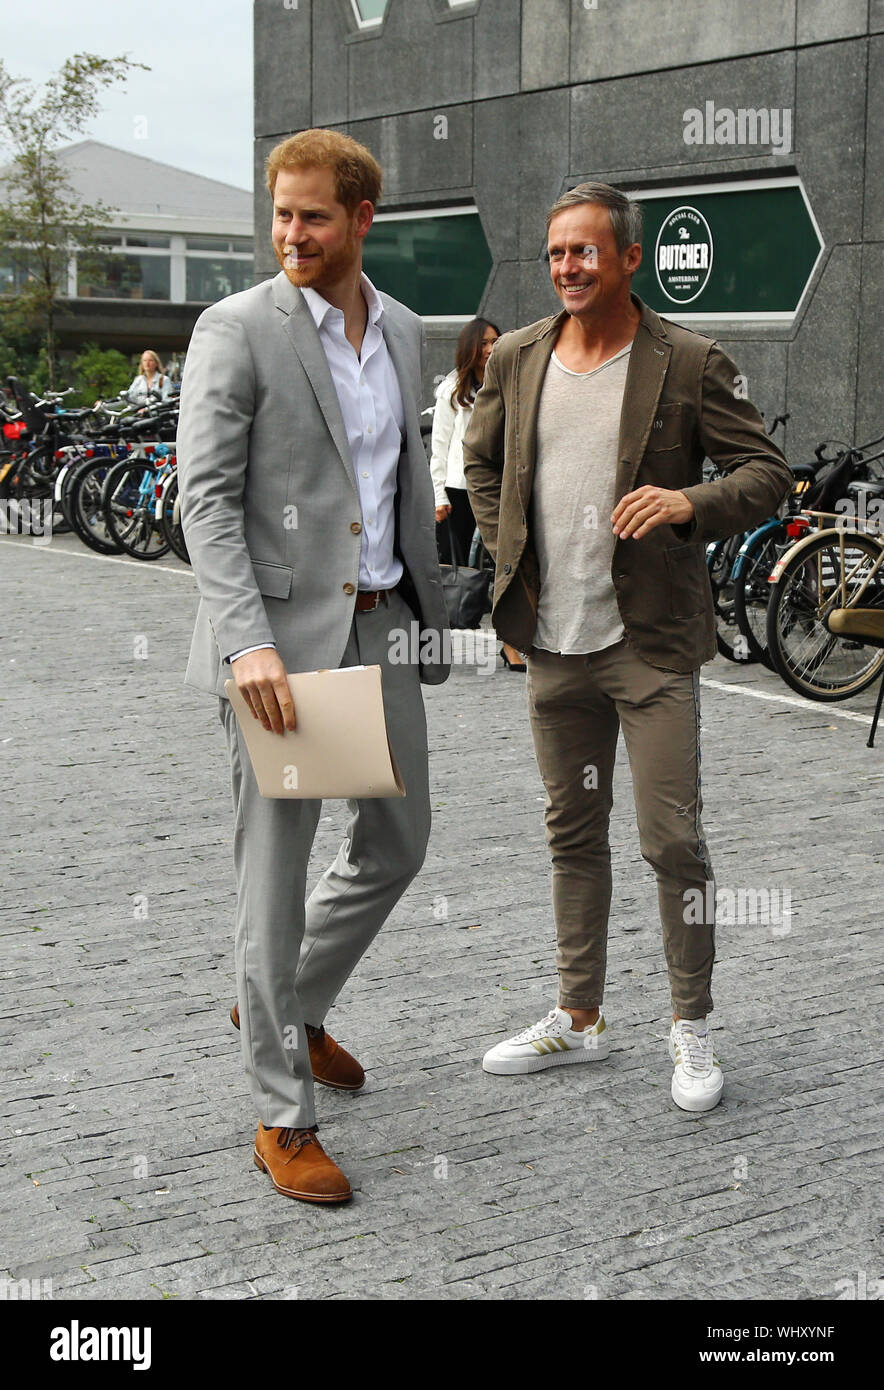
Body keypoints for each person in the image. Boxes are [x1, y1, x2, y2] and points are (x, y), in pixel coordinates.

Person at [463, 181, 792, 1112]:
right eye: (556, 253)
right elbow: (480, 464)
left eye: (585, 251)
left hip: (648, 646)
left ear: (629, 260)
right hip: (553, 645)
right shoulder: (519, 356)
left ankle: (691, 1027)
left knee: (671, 839)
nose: (567, 266)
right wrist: (509, 552)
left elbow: (766, 474)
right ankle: (580, 1017)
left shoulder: (686, 360)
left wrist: (691, 503)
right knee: (572, 835)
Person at [177, 128, 449, 1203]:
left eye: (313, 217)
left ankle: (287, 997)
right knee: (273, 880)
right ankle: (281, 1113)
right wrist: (248, 641)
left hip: (380, 623)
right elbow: (204, 500)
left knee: (397, 841)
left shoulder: (404, 330)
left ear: (362, 218)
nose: (291, 234)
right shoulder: (235, 328)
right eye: (281, 215)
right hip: (279, 649)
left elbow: (394, 474)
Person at [430, 319, 525, 671]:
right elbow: (438, 450)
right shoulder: (452, 390)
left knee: (506, 567)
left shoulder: (508, 382)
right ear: (470, 347)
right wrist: (438, 496)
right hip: (458, 491)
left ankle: (510, 643)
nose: (490, 348)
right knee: (454, 573)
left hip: (501, 489)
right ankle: (437, 641)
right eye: (484, 343)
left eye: (495, 341)